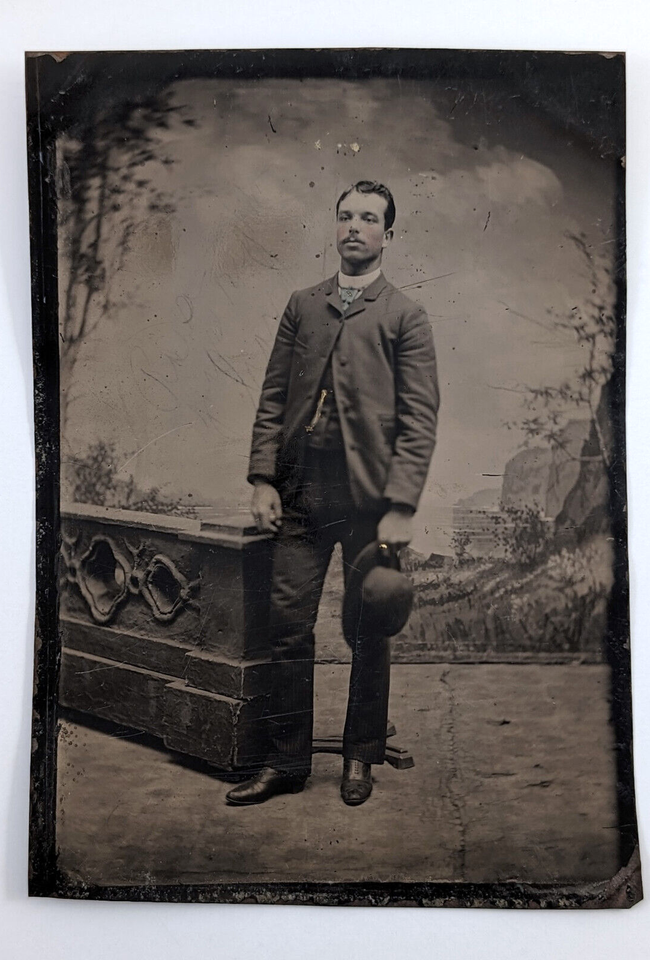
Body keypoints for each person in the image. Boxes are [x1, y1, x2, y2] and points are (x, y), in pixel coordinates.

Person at [226, 180, 439, 806]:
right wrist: (263, 477)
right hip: (301, 493)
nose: (354, 227)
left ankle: (360, 756)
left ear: (387, 235)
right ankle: (287, 764)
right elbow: (272, 396)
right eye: (345, 216)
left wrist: (402, 505)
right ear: (335, 227)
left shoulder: (405, 315)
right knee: (288, 626)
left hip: (372, 502)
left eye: (369, 219)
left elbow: (420, 418)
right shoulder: (302, 305)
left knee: (370, 629)